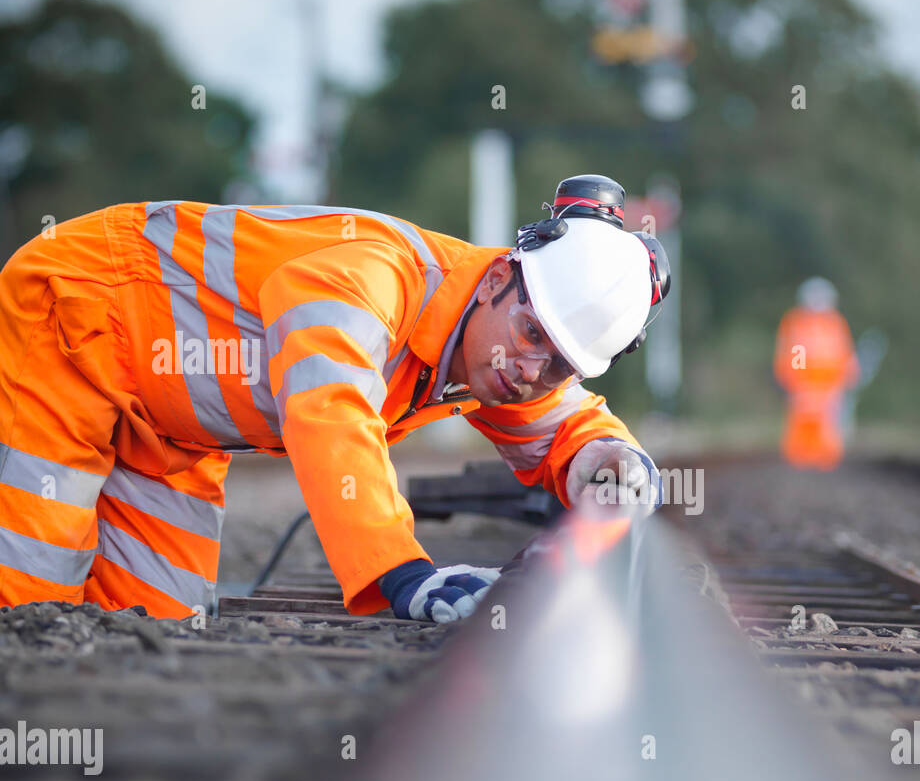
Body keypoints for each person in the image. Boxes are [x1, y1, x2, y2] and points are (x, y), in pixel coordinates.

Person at [0, 174, 669, 623]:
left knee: (147, 629)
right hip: (75, 319)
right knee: (28, 607)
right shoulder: (376, 277)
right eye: (532, 335)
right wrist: (404, 572)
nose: (528, 370)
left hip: (173, 431)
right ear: (499, 276)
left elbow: (566, 428)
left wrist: (609, 459)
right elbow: (332, 407)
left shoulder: (491, 348)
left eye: (558, 364)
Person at [773, 277, 858, 470]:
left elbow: (844, 352)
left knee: (828, 431)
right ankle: (800, 463)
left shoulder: (836, 323)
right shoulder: (797, 322)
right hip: (805, 386)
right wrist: (798, 383)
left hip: (831, 387)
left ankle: (826, 462)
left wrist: (847, 376)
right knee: (803, 428)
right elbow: (796, 351)